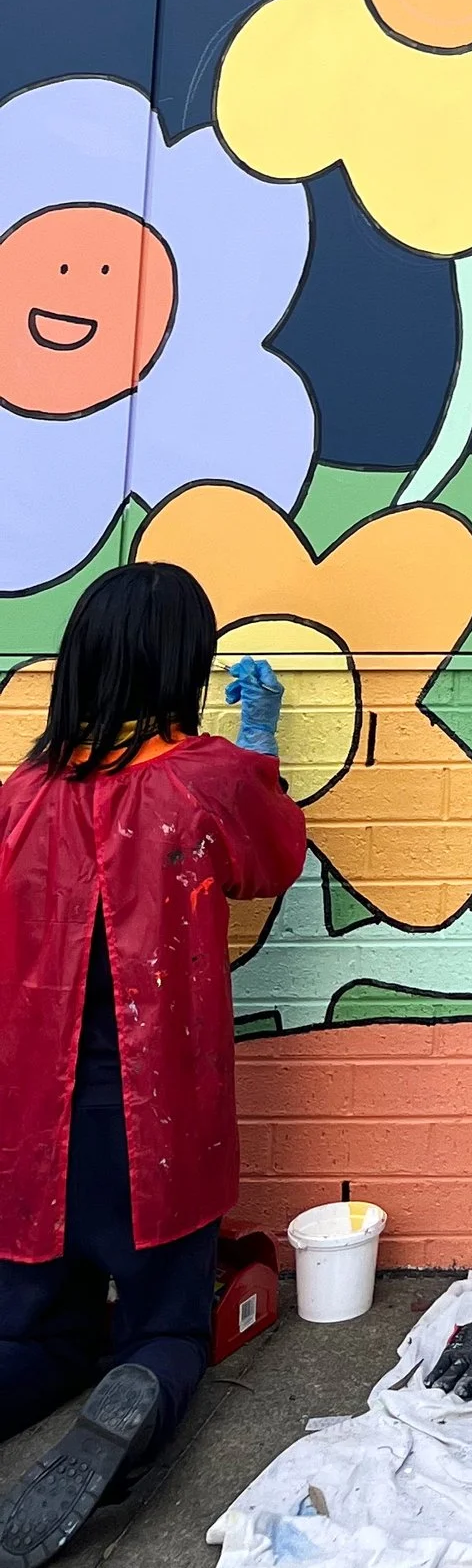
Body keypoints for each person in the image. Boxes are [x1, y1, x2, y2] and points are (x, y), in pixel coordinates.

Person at [0, 564, 305, 1567]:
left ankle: (41, 1363)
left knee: (36, 1335)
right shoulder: (202, 777)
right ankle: (142, 1389)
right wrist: (259, 746)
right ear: (185, 665)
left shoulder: (19, 799)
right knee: (164, 1332)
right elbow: (267, 860)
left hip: (32, 1146)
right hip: (151, 1133)